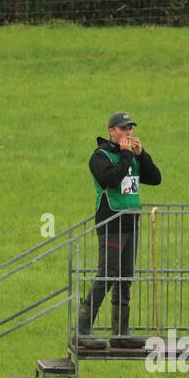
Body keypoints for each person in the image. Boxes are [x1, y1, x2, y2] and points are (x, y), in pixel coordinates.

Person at [77, 111, 162, 349]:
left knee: (125, 275)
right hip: (110, 223)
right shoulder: (99, 156)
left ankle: (121, 332)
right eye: (124, 129)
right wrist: (125, 155)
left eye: (130, 129)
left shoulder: (131, 156)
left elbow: (155, 178)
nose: (128, 133)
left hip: (130, 222)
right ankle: (82, 329)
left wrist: (141, 155)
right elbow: (111, 180)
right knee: (108, 274)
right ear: (111, 131)